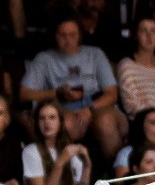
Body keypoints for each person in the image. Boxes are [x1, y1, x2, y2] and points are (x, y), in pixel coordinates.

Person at [20, 16, 124, 161]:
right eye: (62, 35)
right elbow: (24, 94)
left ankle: (118, 172)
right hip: (63, 108)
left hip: (97, 106)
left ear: (80, 35)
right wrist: (56, 93)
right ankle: (67, 175)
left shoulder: (95, 54)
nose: (67, 40)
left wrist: (89, 109)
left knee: (105, 122)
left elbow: (112, 94)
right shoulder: (44, 59)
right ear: (54, 35)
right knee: (66, 123)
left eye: (72, 35)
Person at [19, 99, 91, 185]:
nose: (47, 123)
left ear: (60, 122)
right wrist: (60, 163)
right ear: (36, 123)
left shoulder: (69, 150)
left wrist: (87, 167)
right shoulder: (31, 151)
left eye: (52, 118)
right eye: (42, 118)